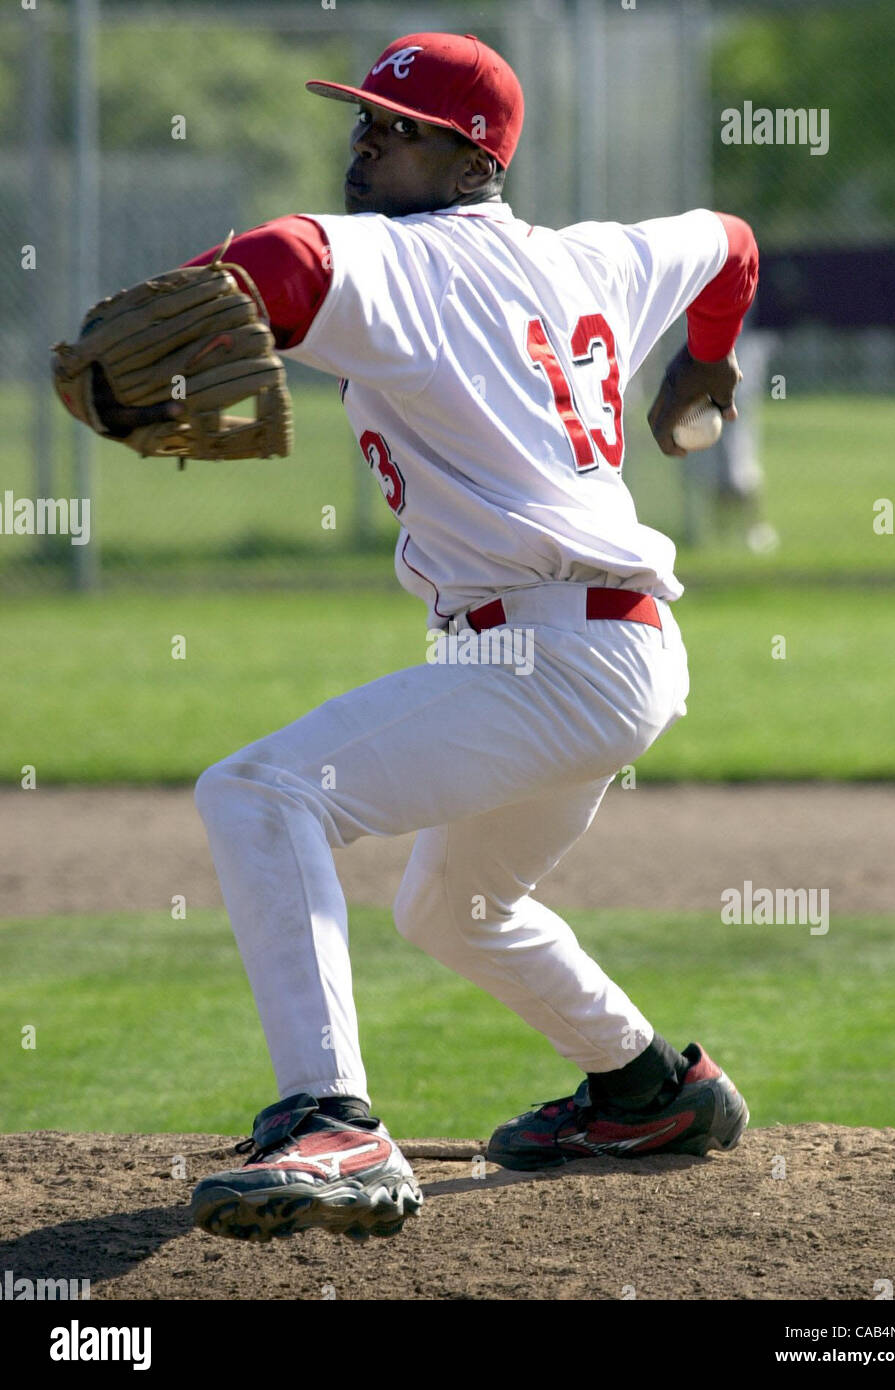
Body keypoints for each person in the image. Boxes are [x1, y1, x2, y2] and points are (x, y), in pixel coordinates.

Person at [96, 32, 757, 1245]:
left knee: (259, 793)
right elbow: (731, 241)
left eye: (392, 130)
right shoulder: (590, 258)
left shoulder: (405, 260)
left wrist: (203, 277)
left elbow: (286, 258)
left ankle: (332, 1122)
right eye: (361, 121)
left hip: (551, 654)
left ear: (469, 160)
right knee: (452, 904)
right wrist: (703, 371)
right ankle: (650, 1088)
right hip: (610, 650)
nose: (364, 144)